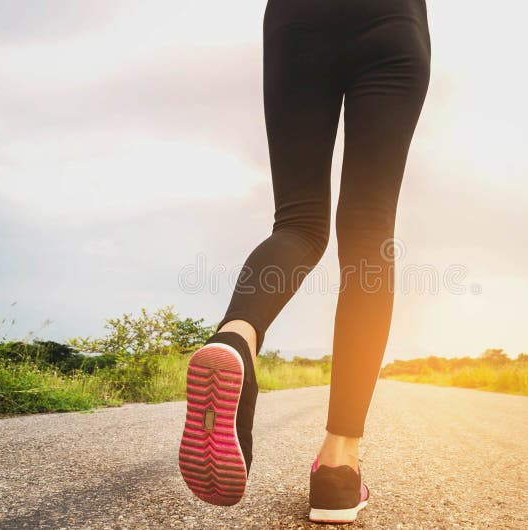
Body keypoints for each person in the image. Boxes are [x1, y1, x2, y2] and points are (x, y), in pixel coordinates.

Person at [179, 0, 430, 523]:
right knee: (368, 235)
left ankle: (235, 338)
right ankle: (338, 466)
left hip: (299, 19)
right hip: (392, 21)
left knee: (298, 224)